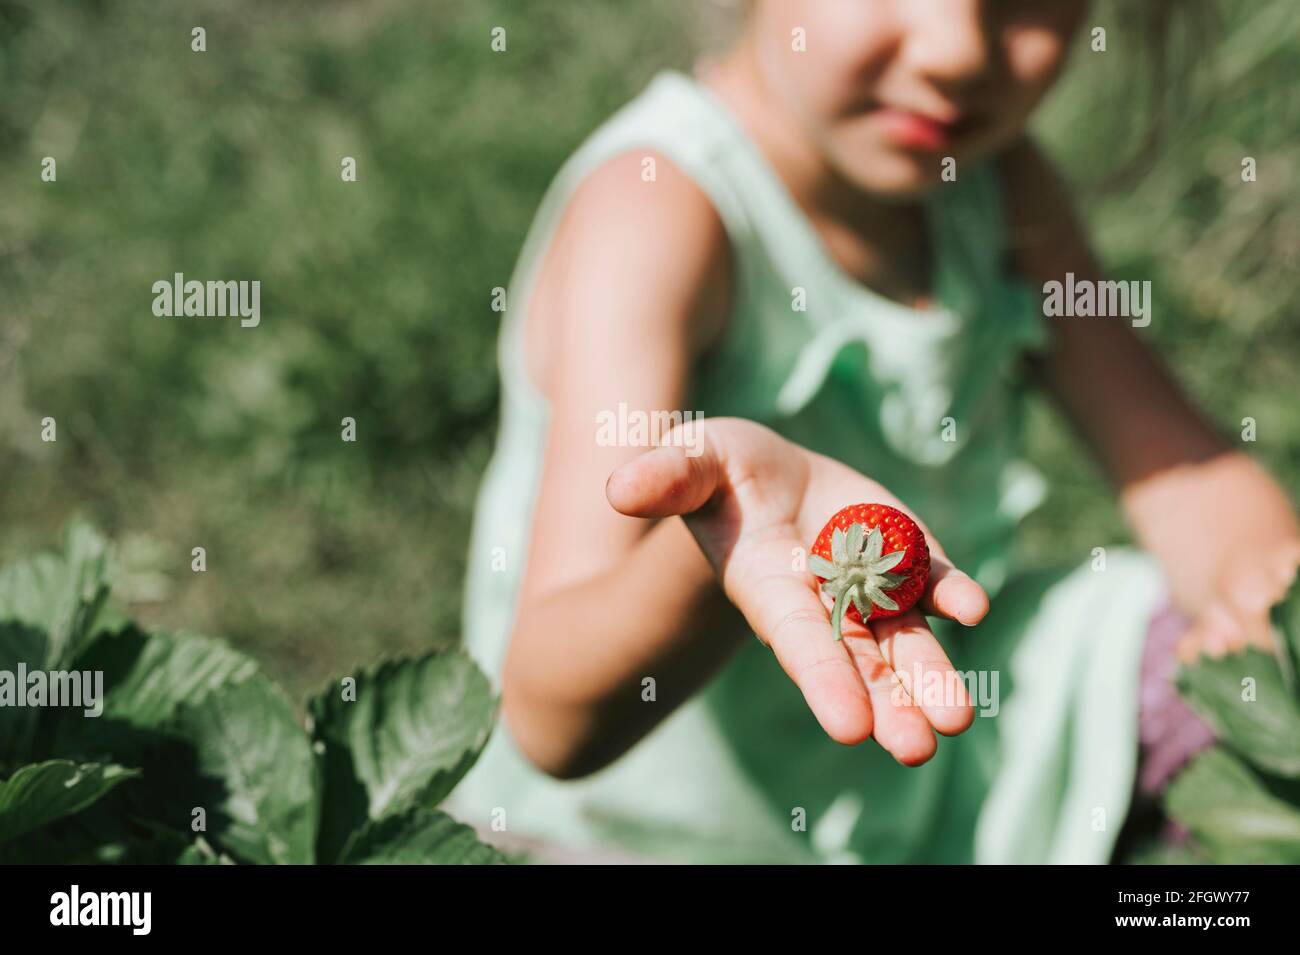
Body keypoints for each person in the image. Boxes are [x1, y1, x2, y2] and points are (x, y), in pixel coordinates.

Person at [450, 0, 1299, 863]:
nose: (958, 51)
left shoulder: (999, 186)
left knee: (1168, 637)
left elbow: (1184, 473)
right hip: (658, 832)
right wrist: (720, 542)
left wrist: (1270, 609)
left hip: (921, 760)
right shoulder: (657, 211)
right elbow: (551, 720)